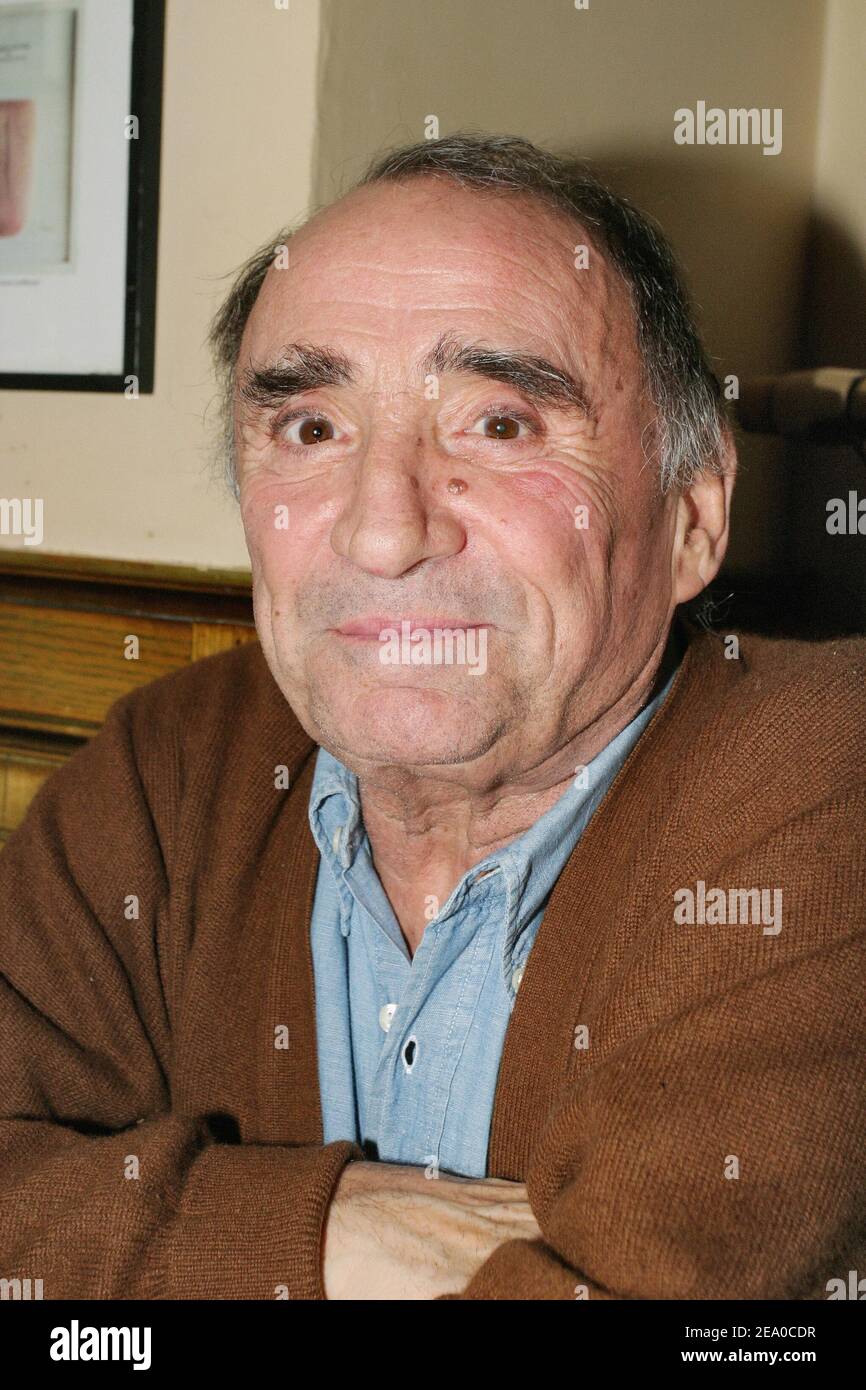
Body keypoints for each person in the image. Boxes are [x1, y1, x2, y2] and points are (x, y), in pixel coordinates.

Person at [1, 134, 864, 1301]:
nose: (381, 528)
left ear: (692, 515)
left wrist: (141, 1239)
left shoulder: (824, 769)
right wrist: (327, 1234)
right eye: (310, 428)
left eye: (498, 422)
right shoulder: (171, 766)